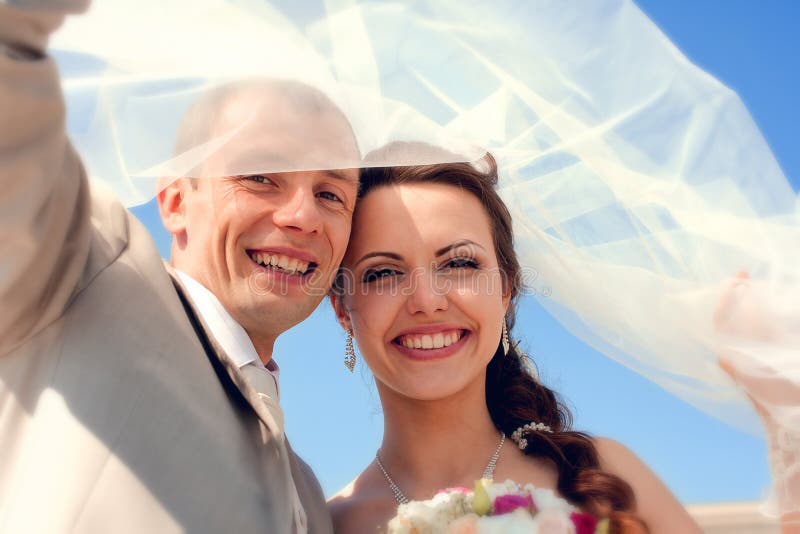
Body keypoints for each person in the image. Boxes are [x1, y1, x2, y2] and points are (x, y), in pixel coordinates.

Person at [0, 3, 358, 533]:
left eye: (331, 194)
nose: (303, 215)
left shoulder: (308, 491)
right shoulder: (83, 274)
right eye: (260, 175)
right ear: (173, 201)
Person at [328, 143, 701, 533]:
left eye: (459, 263)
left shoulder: (602, 479)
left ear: (505, 290)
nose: (427, 301)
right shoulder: (325, 523)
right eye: (383, 273)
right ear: (342, 309)